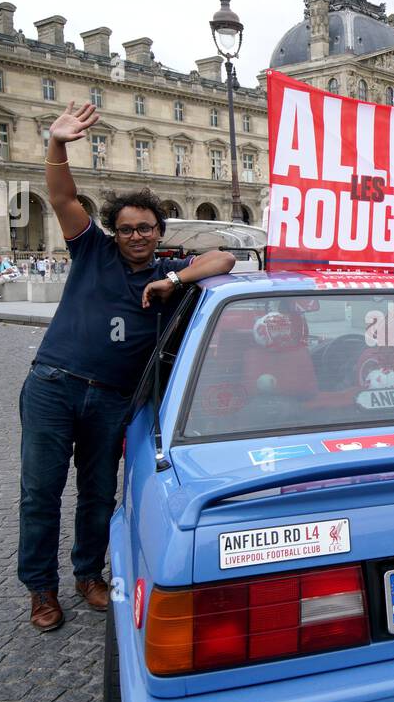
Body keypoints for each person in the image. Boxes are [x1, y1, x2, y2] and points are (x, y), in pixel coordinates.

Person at [19, 100, 236, 633]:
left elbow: (225, 258)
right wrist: (57, 142)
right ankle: (40, 588)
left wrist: (175, 282)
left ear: (160, 232)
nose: (136, 236)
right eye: (126, 228)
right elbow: (62, 196)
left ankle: (87, 574)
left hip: (114, 398)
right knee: (41, 490)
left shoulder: (168, 270)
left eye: (145, 228)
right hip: (54, 385)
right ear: (112, 232)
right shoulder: (92, 251)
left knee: (98, 492)